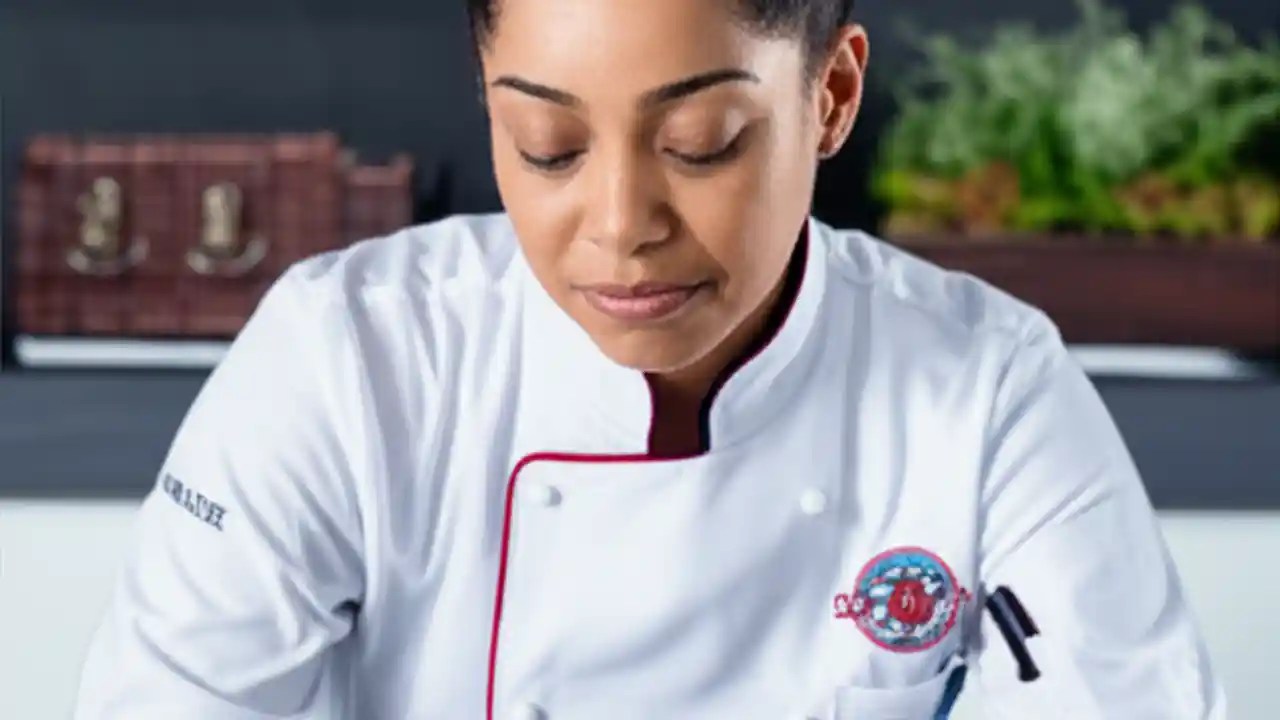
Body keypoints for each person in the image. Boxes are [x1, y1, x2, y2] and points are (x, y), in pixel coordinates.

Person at [74, 0, 1226, 718]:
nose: (619, 222)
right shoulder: (348, 360)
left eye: (700, 145)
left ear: (828, 96)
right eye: (548, 147)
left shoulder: (984, 387)